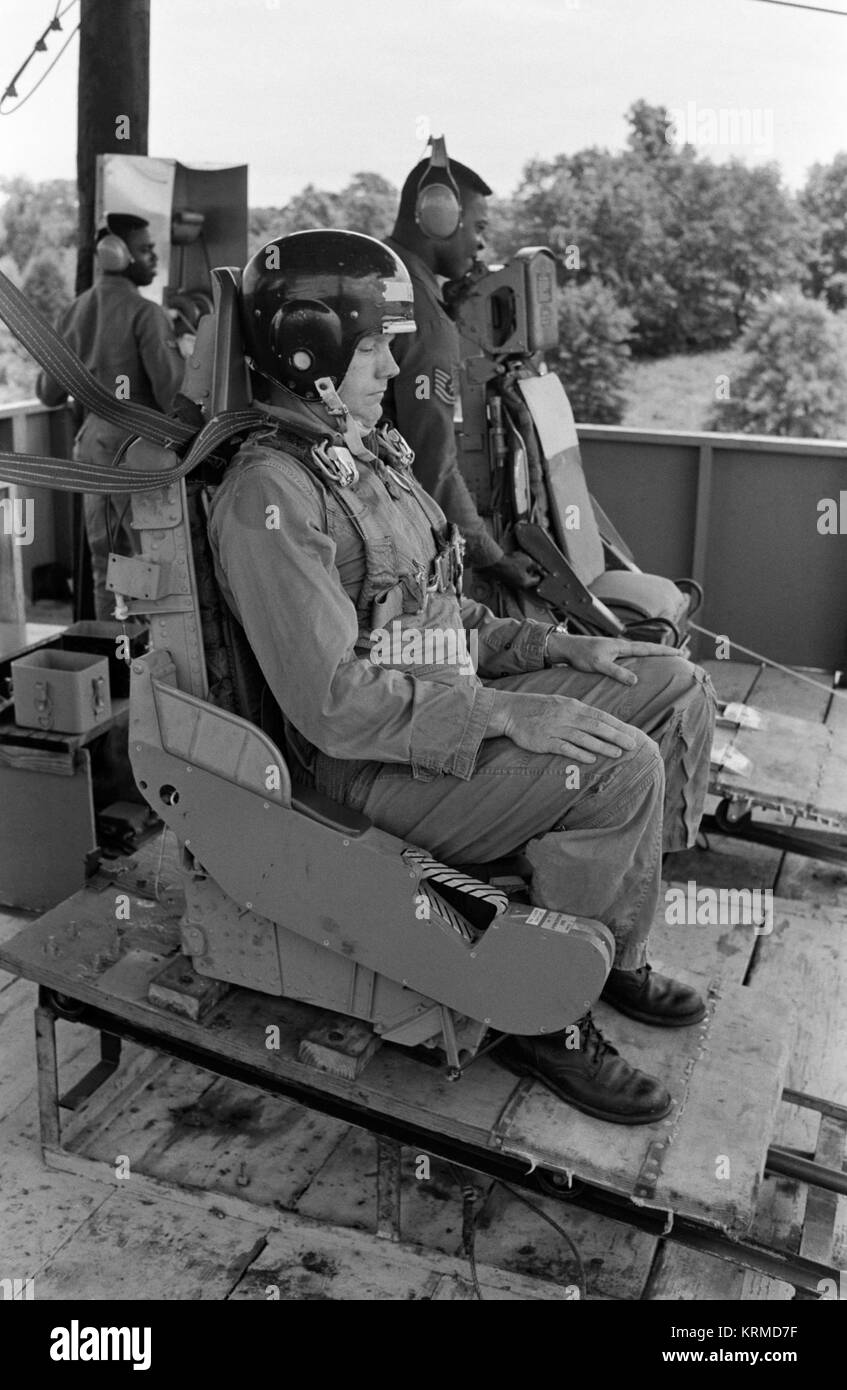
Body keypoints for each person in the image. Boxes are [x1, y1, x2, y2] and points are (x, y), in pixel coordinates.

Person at [207, 229, 718, 1126]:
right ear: (313, 352)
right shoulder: (272, 497)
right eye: (373, 347)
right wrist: (505, 718)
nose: (393, 364)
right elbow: (334, 702)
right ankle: (545, 1013)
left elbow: (441, 623)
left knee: (668, 681)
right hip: (371, 767)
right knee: (616, 764)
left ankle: (615, 948)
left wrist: (558, 653)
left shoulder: (370, 457)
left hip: (447, 713)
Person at [384, 153, 543, 595]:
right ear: (438, 217)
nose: (481, 246)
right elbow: (430, 461)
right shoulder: (424, 316)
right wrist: (492, 559)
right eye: (478, 228)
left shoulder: (386, 274)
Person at [37, 213, 185, 619]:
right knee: (145, 561)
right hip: (137, 453)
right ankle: (149, 661)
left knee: (107, 562)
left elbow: (47, 393)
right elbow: (173, 395)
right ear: (117, 255)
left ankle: (115, 662)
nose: (154, 257)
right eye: (145, 249)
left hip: (91, 450)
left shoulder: (73, 312)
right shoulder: (145, 313)